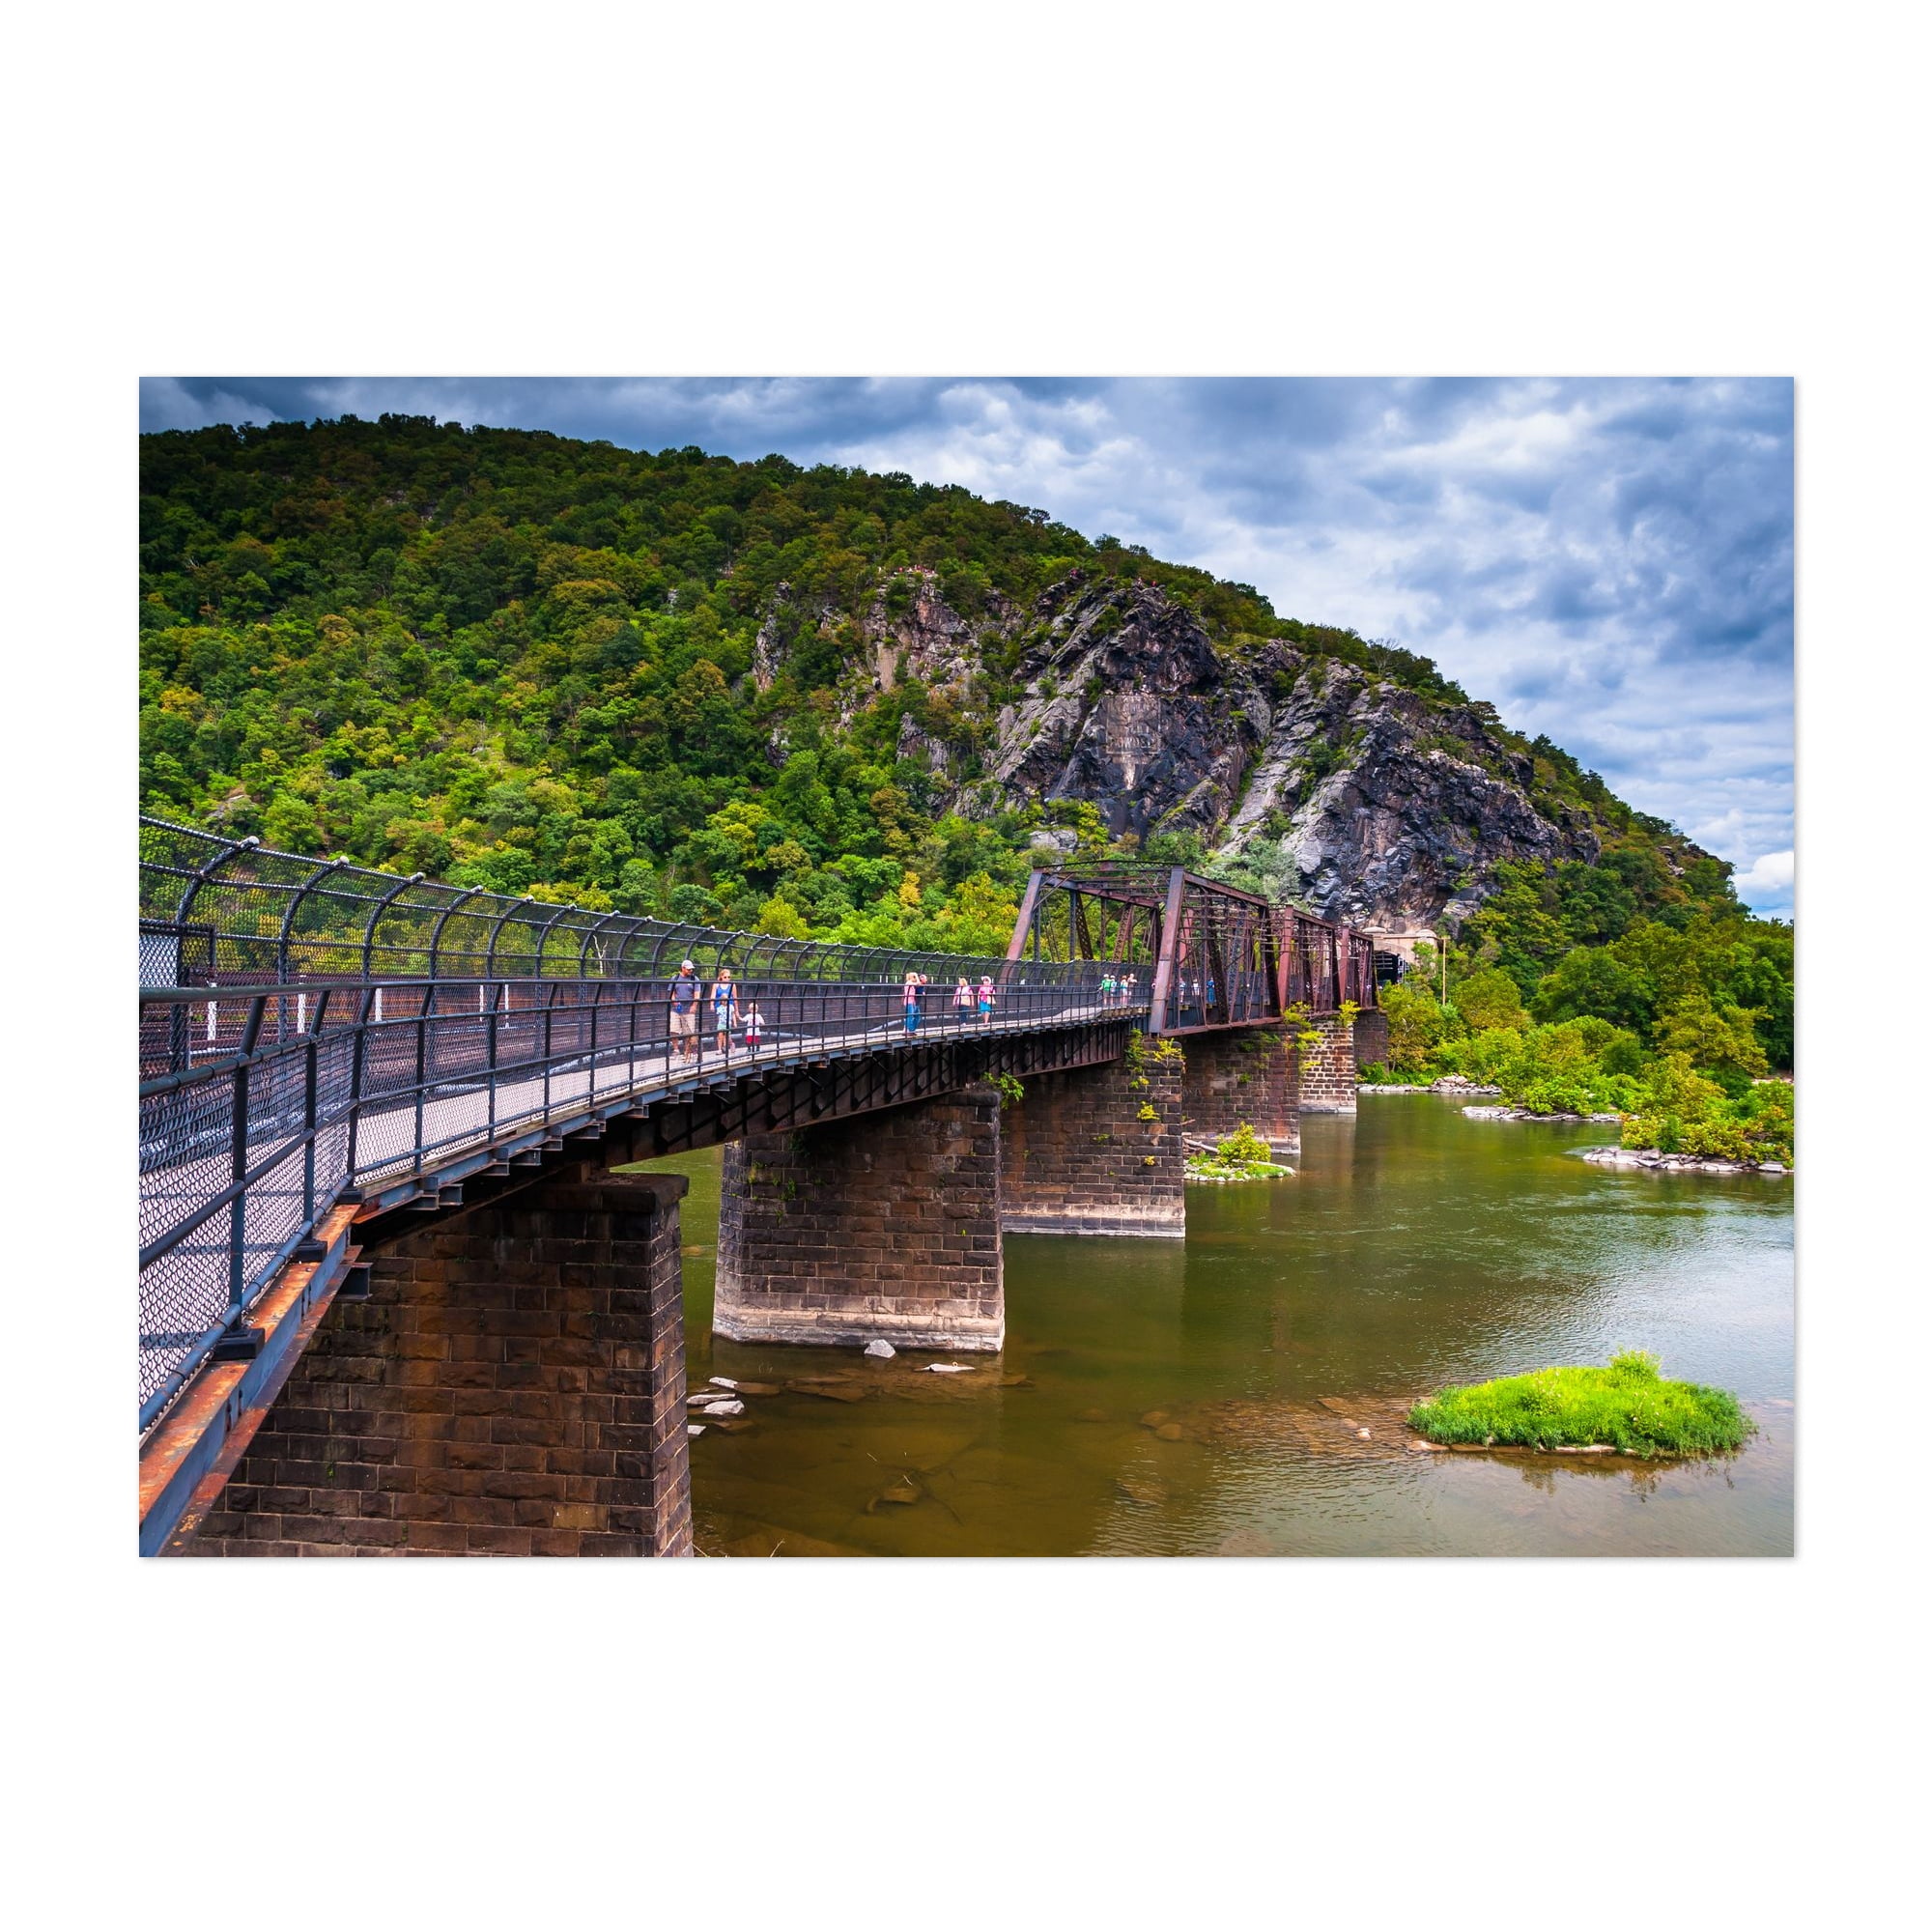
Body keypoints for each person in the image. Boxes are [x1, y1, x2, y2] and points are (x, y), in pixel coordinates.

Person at [669, 959, 699, 1061]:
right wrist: (674, 1002)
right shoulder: (675, 978)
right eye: (689, 969)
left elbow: (697, 994)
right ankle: (676, 1049)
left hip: (689, 1009)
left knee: (689, 1032)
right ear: (683, 968)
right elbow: (672, 993)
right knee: (674, 1030)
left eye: (691, 969)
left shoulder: (695, 979)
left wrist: (694, 1005)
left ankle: (687, 1051)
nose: (691, 971)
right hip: (676, 1009)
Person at [711, 966, 738, 1055]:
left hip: (729, 1008)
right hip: (719, 1008)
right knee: (720, 1030)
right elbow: (713, 996)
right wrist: (711, 1005)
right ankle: (721, 1047)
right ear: (721, 977)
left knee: (726, 1032)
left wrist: (736, 1011)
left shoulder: (732, 985)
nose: (727, 979)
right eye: (725, 977)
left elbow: (735, 998)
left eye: (729, 977)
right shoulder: (716, 984)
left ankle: (728, 1044)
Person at [903, 970, 922, 1036]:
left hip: (912, 1001)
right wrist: (916, 975)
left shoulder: (911, 983)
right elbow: (918, 983)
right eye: (914, 977)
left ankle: (911, 1029)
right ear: (912, 977)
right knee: (910, 1016)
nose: (916, 979)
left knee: (916, 1016)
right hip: (909, 1002)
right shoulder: (909, 982)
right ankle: (909, 1030)